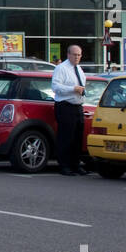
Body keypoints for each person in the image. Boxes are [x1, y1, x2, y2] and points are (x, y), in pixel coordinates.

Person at [51, 44, 90, 177]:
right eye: (74, 54)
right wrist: (72, 89)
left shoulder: (79, 68)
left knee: (77, 137)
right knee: (66, 136)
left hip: (77, 106)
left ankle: (75, 164)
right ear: (68, 55)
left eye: (79, 55)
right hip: (65, 105)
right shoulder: (61, 68)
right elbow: (55, 87)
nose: (77, 57)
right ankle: (64, 165)